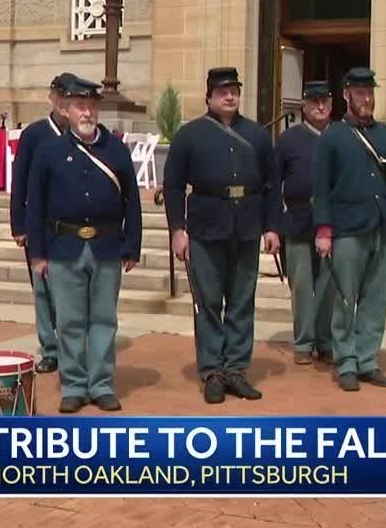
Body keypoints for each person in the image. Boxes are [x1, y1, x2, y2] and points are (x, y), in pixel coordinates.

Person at [163, 67, 281, 404]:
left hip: (247, 227)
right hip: (205, 227)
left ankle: (236, 369)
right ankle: (212, 371)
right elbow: (173, 186)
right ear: (209, 96)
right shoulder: (189, 135)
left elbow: (272, 185)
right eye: (222, 91)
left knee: (242, 302)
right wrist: (177, 229)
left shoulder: (257, 135)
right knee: (209, 303)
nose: (230, 96)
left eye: (234, 91)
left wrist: (272, 227)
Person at [24, 75, 141, 413]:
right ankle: (74, 385)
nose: (87, 112)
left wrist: (132, 245)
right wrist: (38, 254)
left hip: (106, 246)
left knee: (104, 320)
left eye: (91, 106)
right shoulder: (49, 151)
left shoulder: (115, 149)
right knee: (70, 322)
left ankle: (101, 384)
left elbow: (132, 201)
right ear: (67, 110)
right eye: (80, 106)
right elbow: (36, 204)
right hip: (63, 246)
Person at [312, 68, 386, 392]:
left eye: (370, 93)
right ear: (346, 95)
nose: (367, 99)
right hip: (346, 230)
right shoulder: (332, 137)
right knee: (344, 298)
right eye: (360, 93)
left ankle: (367, 360)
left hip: (380, 227)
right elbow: (321, 188)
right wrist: (324, 230)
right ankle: (346, 362)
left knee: (376, 299)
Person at [9, 74, 71, 374]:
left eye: (69, 98)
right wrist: (18, 225)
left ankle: (72, 347)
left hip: (71, 225)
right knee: (43, 290)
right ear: (52, 98)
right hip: (39, 223)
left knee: (69, 290)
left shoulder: (83, 133)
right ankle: (50, 348)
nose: (63, 103)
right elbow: (19, 180)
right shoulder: (34, 134)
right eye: (59, 97)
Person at [277, 81, 335, 366]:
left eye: (324, 101)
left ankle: (325, 341)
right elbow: (273, 183)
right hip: (298, 222)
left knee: (328, 287)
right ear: (304, 105)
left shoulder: (340, 136)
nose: (320, 107)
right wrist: (273, 225)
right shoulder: (288, 140)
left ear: (332, 103)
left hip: (333, 225)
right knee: (301, 286)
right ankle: (303, 342)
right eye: (314, 102)